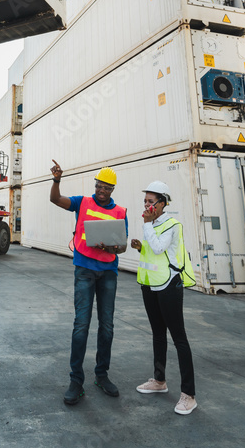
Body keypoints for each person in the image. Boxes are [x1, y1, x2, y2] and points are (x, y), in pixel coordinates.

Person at [49, 160, 127, 406]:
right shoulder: (82, 202)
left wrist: (113, 246)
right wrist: (56, 180)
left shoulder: (121, 212)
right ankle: (76, 381)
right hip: (84, 270)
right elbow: (55, 199)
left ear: (112, 190)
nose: (101, 191)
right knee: (81, 325)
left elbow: (122, 246)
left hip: (108, 272)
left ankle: (101, 375)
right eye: (98, 186)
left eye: (106, 188)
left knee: (107, 326)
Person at [130, 180, 197, 415]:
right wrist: (140, 247)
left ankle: (189, 395)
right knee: (158, 334)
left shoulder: (172, 224)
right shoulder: (152, 223)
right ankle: (159, 381)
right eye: (145, 201)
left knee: (179, 338)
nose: (147, 205)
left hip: (169, 285)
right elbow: (154, 251)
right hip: (150, 285)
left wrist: (147, 228)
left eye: (151, 201)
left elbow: (160, 248)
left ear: (162, 203)